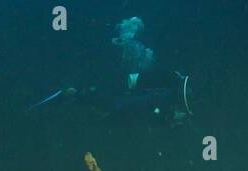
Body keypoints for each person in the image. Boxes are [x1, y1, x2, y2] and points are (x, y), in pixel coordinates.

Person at [29, 17, 194, 127]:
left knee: (115, 101)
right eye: (131, 25)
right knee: (107, 100)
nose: (132, 29)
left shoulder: (140, 53)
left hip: (123, 88)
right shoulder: (114, 46)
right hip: (114, 86)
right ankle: (70, 95)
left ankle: (73, 95)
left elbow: (141, 81)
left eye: (136, 27)